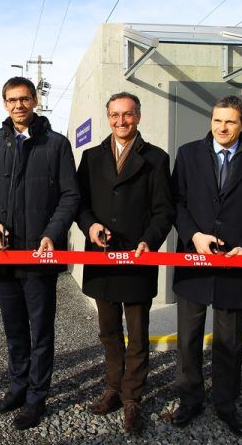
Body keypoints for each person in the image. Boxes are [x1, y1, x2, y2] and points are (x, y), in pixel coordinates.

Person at [0, 76, 80, 430]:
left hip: (39, 255)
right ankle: (18, 387)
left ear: (35, 101)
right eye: (11, 100)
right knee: (14, 328)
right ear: (5, 104)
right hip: (3, 255)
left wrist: (51, 234)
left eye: (24, 98)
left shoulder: (57, 145)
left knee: (41, 330)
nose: (18, 105)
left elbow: (70, 196)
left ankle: (37, 398)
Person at [170, 95, 242, 437]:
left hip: (236, 262)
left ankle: (226, 402)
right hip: (194, 259)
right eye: (217, 120)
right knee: (188, 337)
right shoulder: (188, 154)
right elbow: (177, 202)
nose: (222, 127)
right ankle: (190, 399)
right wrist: (193, 236)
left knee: (230, 341)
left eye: (230, 121)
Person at [76, 92, 174, 434]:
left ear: (138, 117)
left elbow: (164, 209)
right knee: (108, 332)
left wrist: (150, 239)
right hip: (101, 258)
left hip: (137, 257)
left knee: (138, 333)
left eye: (128, 115)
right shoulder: (90, 158)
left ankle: (133, 397)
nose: (121, 121)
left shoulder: (157, 159)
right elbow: (80, 204)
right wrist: (90, 226)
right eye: (115, 115)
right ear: (108, 117)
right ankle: (113, 388)